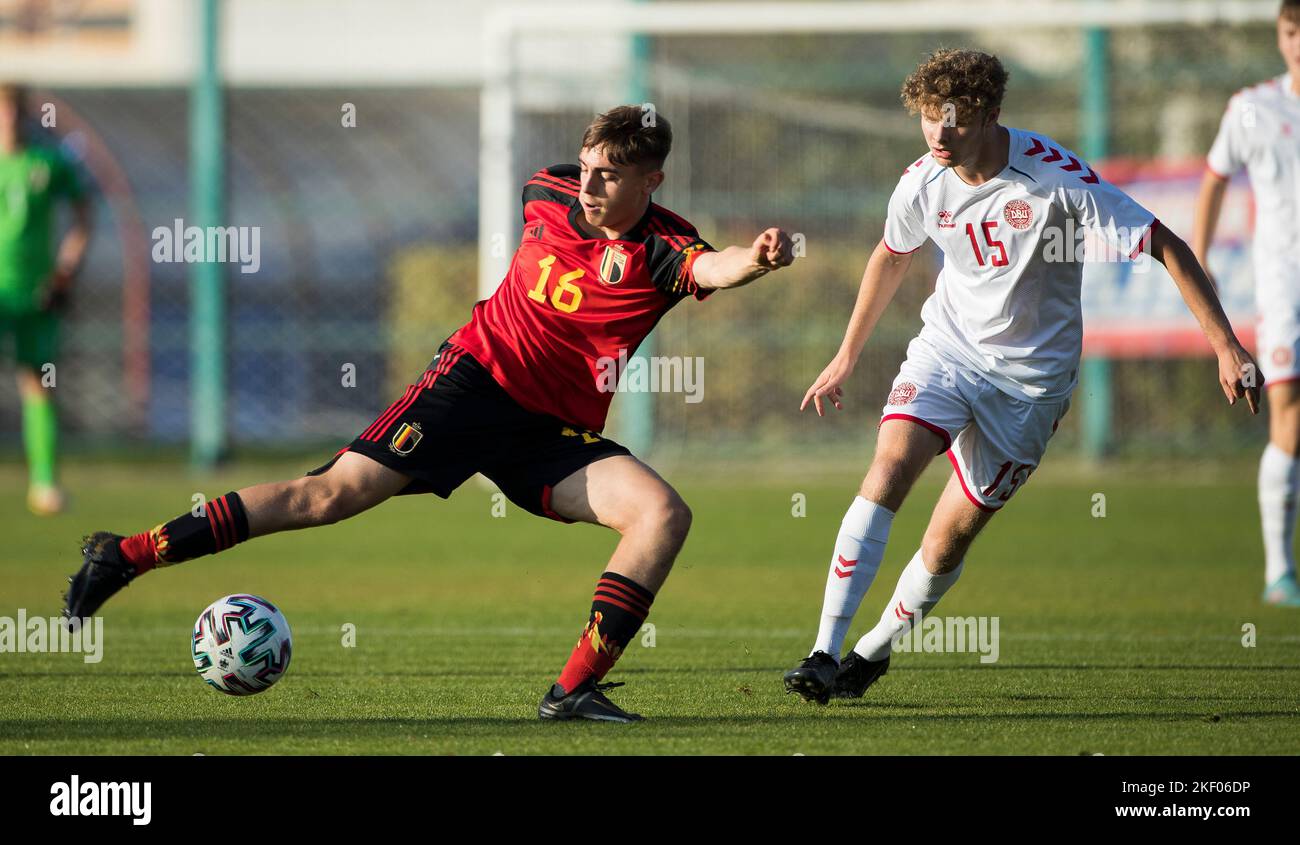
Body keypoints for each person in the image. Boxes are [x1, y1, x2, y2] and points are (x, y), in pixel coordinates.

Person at [63, 104, 794, 722]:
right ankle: (125, 554)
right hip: (470, 386)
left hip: (546, 432)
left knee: (663, 514)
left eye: (610, 173)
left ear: (651, 179)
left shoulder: (663, 248)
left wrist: (756, 258)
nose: (590, 183)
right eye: (588, 164)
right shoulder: (547, 191)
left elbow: (712, 265)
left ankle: (574, 689)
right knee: (325, 497)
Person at [783, 49, 1260, 704]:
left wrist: (1225, 346)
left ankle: (876, 646)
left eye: (955, 120)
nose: (939, 134)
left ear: (990, 114)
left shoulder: (1055, 179)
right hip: (947, 352)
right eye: (929, 119)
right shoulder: (923, 180)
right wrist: (845, 355)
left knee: (948, 538)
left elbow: (1165, 246)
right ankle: (823, 649)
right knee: (890, 466)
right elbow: (891, 258)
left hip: (1030, 384)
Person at [1193, 0, 1300, 606]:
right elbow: (1213, 178)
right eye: (1291, 33)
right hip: (1285, 291)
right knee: (1288, 413)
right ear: (1280, 36)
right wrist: (1202, 258)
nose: (1299, 44)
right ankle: (1279, 572)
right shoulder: (1254, 108)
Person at [0, 82, 92, 515]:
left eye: (14, 113)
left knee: (39, 383)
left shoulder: (46, 163)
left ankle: (44, 483)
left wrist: (64, 273)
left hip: (35, 294)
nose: (9, 121)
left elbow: (82, 214)